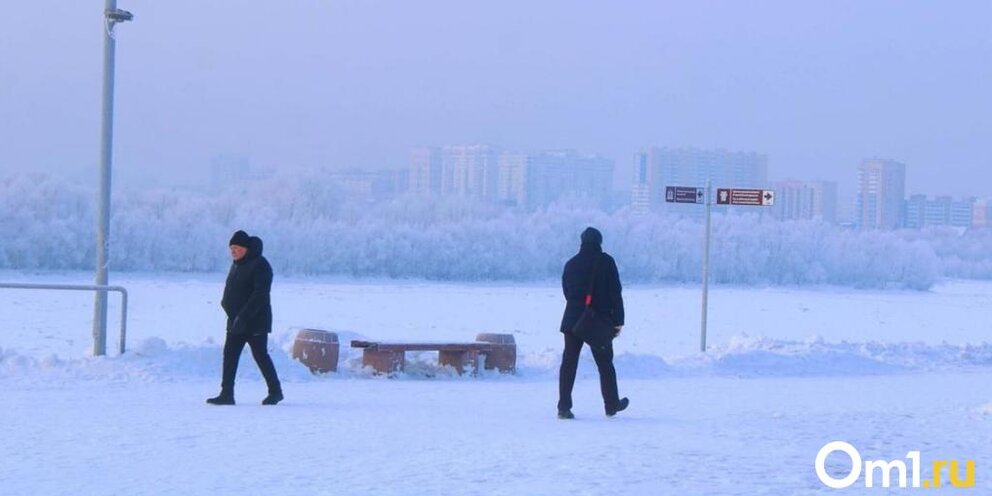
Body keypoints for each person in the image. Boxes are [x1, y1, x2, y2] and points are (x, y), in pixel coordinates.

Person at [557, 226, 628, 419]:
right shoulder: (606, 262)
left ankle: (563, 407)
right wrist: (619, 320)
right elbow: (616, 292)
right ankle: (611, 404)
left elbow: (567, 291)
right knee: (605, 363)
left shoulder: (571, 264)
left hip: (572, 320)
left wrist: (577, 308)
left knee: (569, 363)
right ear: (599, 242)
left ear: (582, 242)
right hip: (597, 321)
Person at [207, 230, 283, 406]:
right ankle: (226, 394)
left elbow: (260, 295)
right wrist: (227, 307)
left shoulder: (260, 265)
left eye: (237, 248)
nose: (233, 251)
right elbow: (230, 290)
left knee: (260, 355)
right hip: (235, 320)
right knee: (230, 355)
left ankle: (275, 391)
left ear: (246, 248)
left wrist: (244, 316)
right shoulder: (236, 264)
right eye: (231, 248)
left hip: (255, 321)